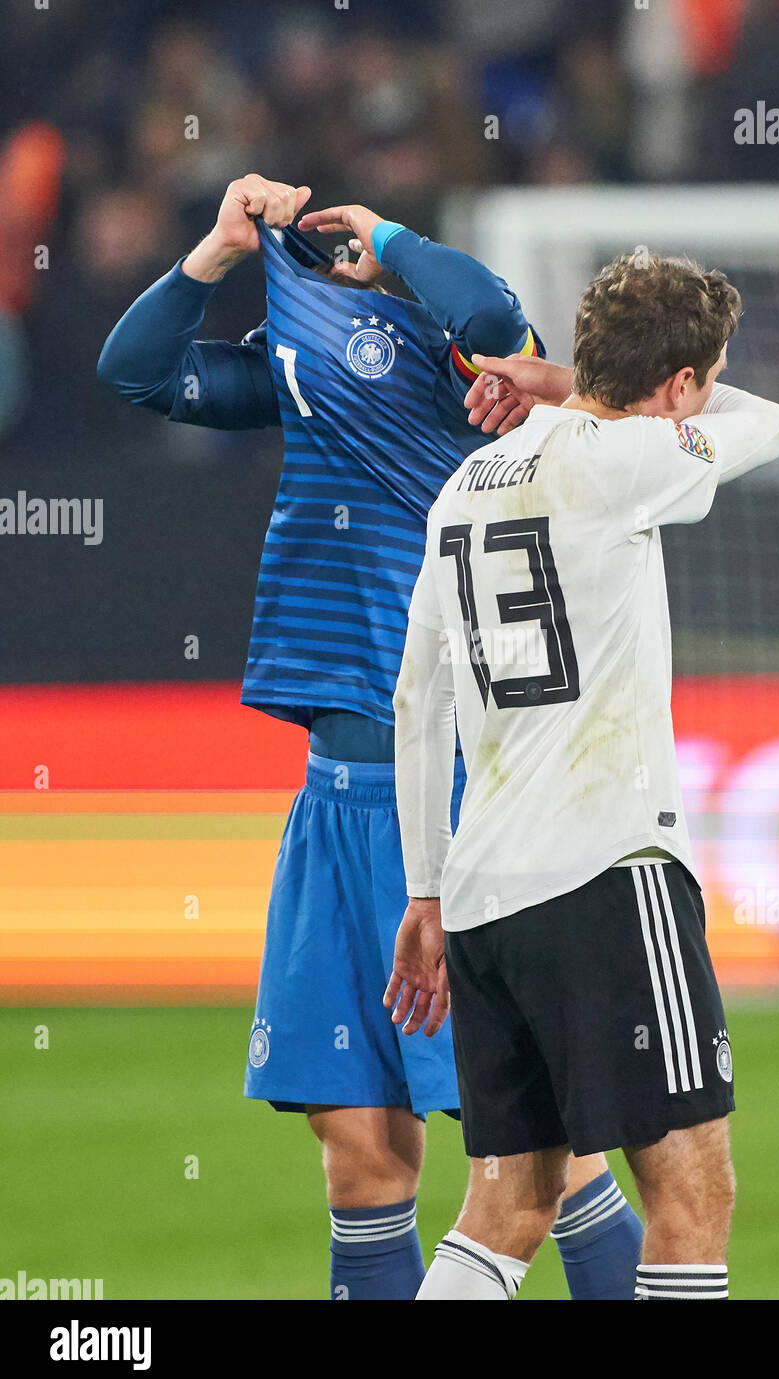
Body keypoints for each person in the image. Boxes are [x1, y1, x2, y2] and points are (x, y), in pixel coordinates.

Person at [97, 176, 642, 1300]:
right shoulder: (310, 385)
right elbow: (136, 370)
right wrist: (214, 249)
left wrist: (387, 243)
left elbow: (489, 313)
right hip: (335, 803)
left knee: (547, 1151)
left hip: (464, 800)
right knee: (359, 1152)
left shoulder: (486, 375)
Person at [386, 250, 779, 1300]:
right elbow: (770, 424)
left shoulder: (458, 488)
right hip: (606, 875)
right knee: (689, 1195)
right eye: (695, 378)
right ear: (675, 390)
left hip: (482, 897)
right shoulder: (623, 464)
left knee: (506, 1206)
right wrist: (579, 391)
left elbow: (414, 701)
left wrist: (425, 888)